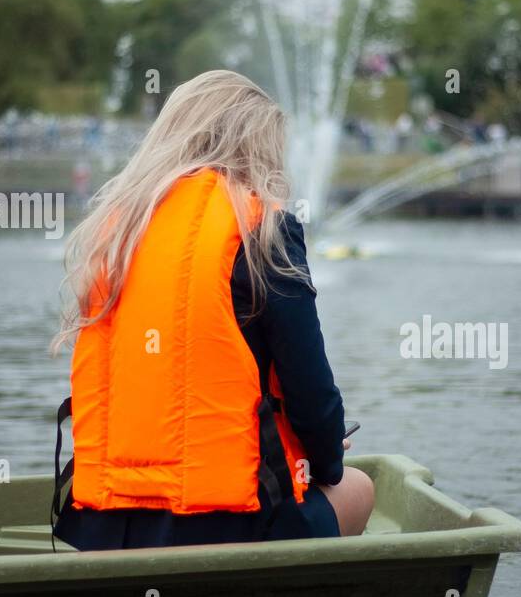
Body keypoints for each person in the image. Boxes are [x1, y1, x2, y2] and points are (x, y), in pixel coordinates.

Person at [51, 70, 373, 550]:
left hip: (103, 526)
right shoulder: (265, 231)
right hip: (226, 522)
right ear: (257, 149)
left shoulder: (117, 234)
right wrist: (325, 460)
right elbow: (311, 392)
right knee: (359, 488)